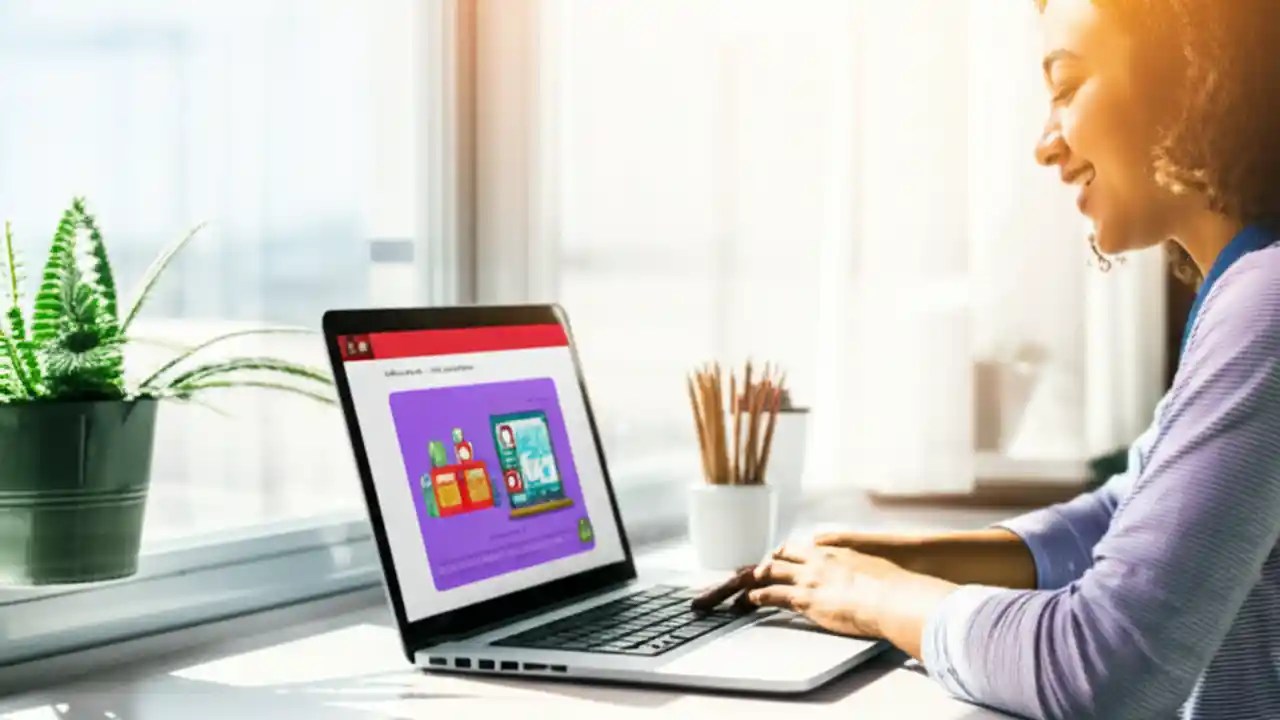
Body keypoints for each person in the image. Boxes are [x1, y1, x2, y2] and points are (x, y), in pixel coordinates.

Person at [692, 1, 1280, 717]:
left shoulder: (1267, 303)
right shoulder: (1250, 291)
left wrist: (875, 596)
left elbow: (1104, 668)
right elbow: (1132, 513)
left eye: (1066, 87)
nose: (1045, 143)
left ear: (1193, 72)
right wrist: (896, 557)